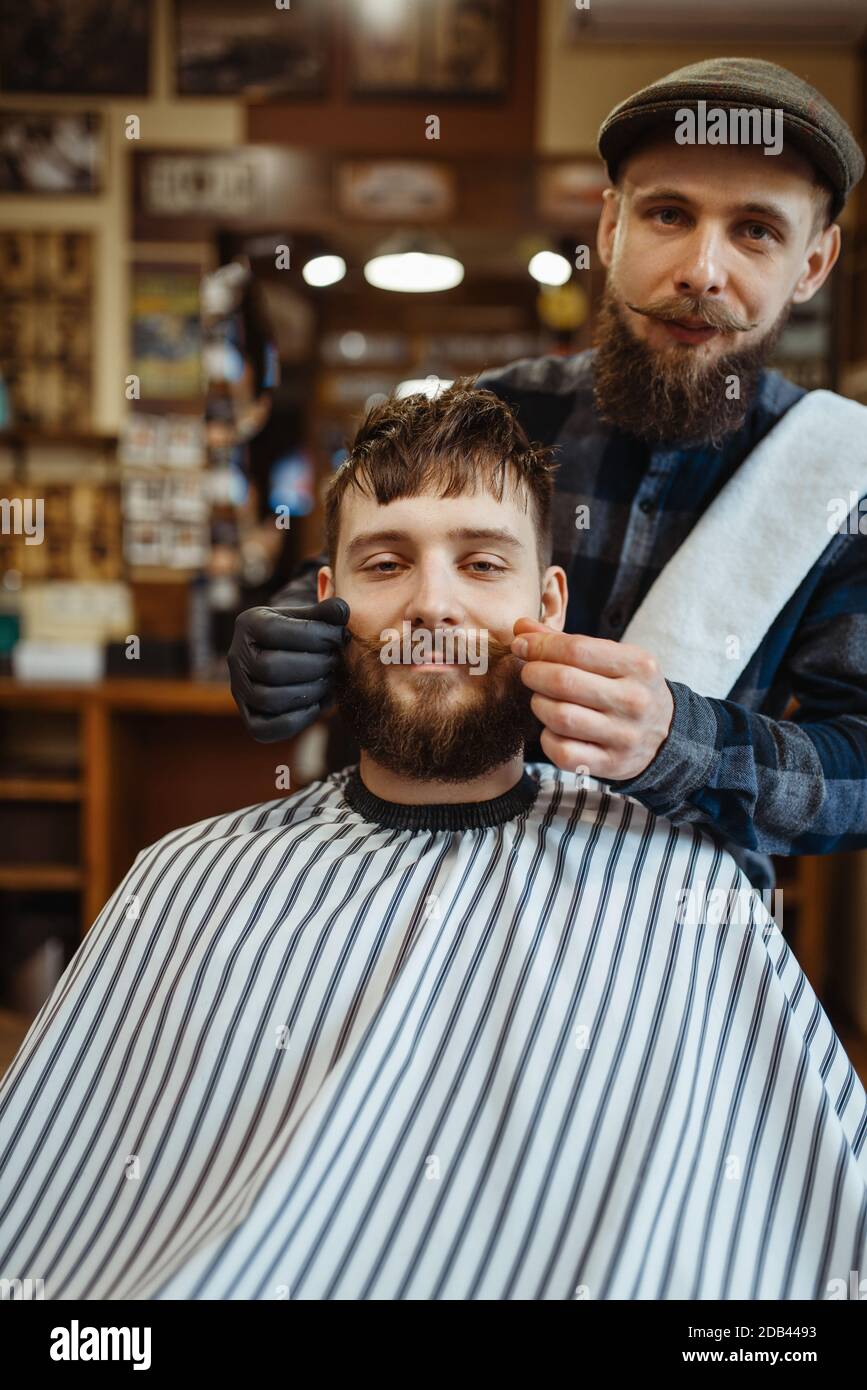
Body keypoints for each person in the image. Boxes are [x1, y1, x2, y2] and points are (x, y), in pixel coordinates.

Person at [0, 382, 863, 1300]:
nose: (433, 606)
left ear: (551, 602)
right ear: (325, 603)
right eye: (385, 564)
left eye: (484, 564)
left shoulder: (682, 890)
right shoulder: (180, 881)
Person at [228, 57, 867, 896]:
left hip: (671, 937)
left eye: (756, 230)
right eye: (668, 213)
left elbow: (857, 773)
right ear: (610, 228)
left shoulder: (839, 476)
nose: (702, 271)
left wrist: (683, 743)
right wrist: (286, 640)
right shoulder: (493, 416)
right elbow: (349, 591)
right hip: (420, 887)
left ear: (813, 264)